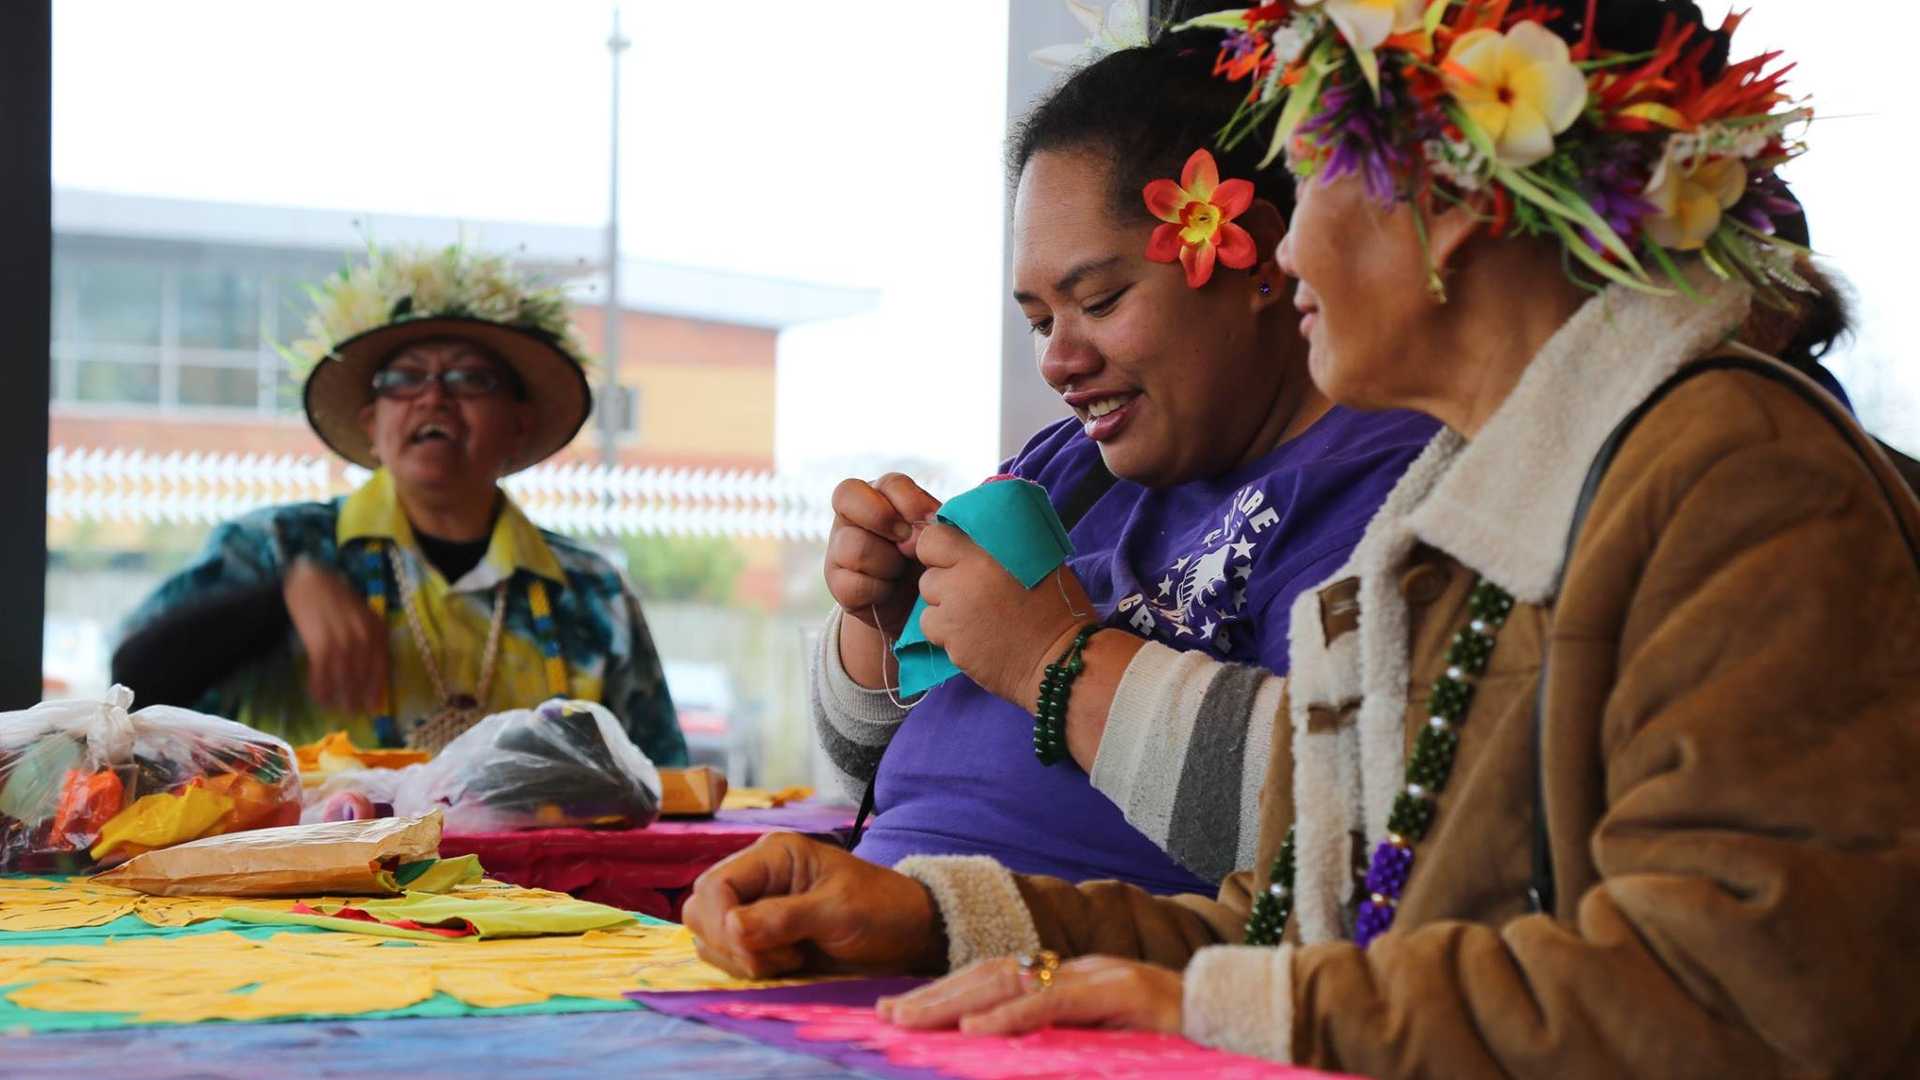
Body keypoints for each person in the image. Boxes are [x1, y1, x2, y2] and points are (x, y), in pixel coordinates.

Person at [687, 3, 1920, 1073]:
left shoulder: (1740, 479)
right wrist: (935, 921)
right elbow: (1307, 922)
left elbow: (1749, 999)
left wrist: (1215, 1007)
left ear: (1441, 203)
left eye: (1313, 176)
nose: (1275, 249)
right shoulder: (1481, 512)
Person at [812, 32, 1435, 895]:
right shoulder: (1071, 468)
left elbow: (1340, 832)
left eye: (1099, 302)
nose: (1059, 362)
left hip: (1061, 983)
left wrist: (1050, 658)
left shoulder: (1383, 483)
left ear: (1249, 252)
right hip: (886, 935)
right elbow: (862, 772)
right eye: (1040, 321)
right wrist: (879, 623)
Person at [112, 246, 687, 766]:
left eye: (470, 378)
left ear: (519, 424)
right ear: (372, 424)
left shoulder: (590, 592)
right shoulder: (277, 546)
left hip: (543, 883)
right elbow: (134, 679)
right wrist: (278, 599)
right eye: (404, 378)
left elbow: (662, 779)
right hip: (321, 881)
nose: (434, 396)